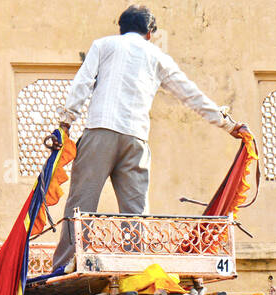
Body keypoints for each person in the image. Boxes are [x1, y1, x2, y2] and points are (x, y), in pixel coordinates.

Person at [52, 5, 248, 272]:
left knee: (81, 207)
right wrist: (229, 124)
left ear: (120, 28)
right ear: (150, 33)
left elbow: (82, 83)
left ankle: (64, 266)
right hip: (136, 142)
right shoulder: (158, 57)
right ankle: (134, 267)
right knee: (135, 214)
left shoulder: (104, 45)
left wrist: (65, 122)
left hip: (101, 131)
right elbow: (190, 94)